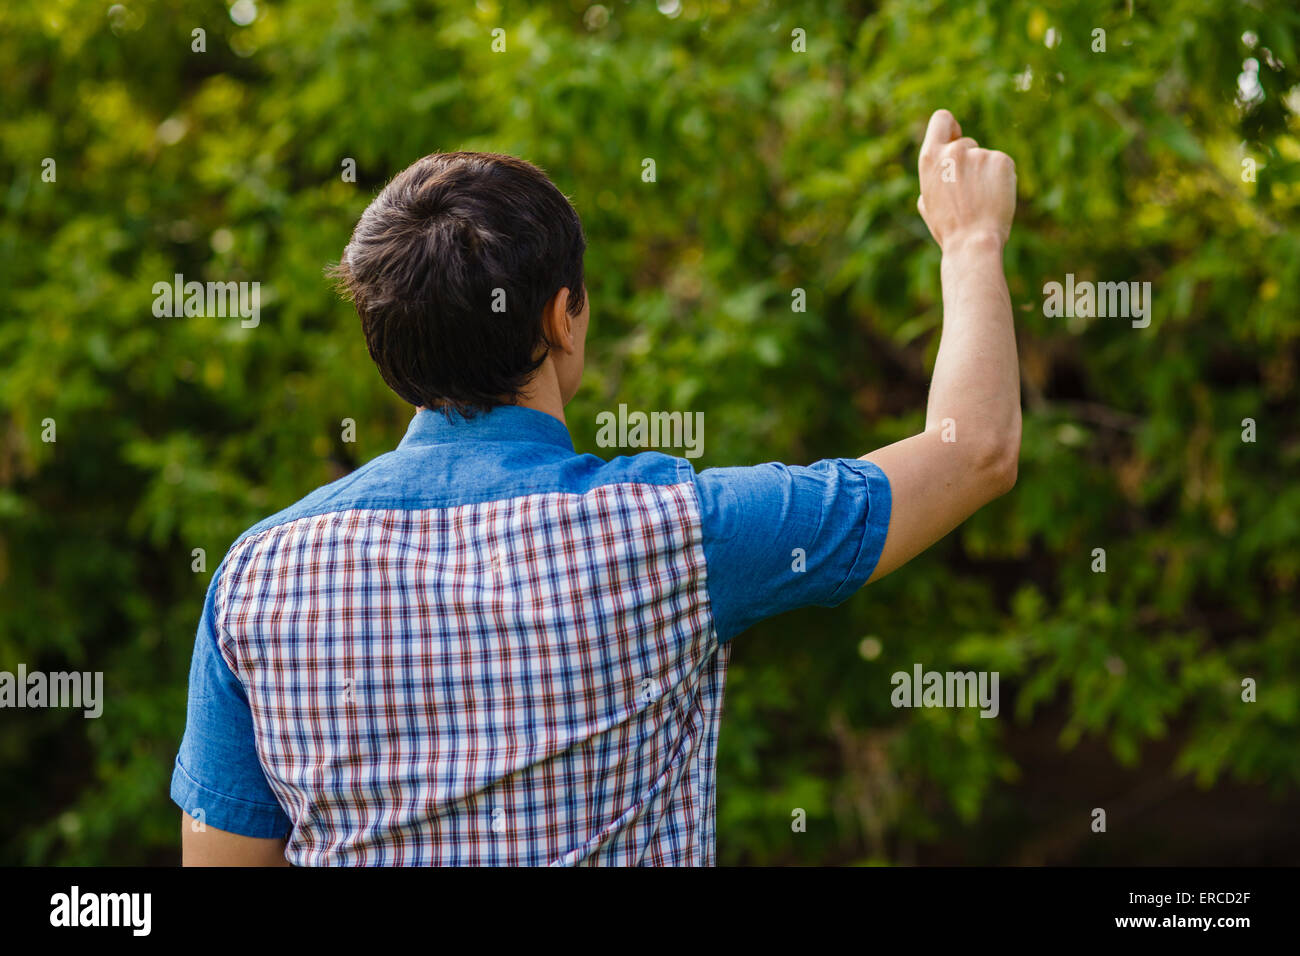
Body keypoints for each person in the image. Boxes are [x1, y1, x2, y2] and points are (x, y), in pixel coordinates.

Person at [171, 109, 1020, 865]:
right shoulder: (671, 533)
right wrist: (972, 238)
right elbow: (974, 450)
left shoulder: (258, 577)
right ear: (560, 316)